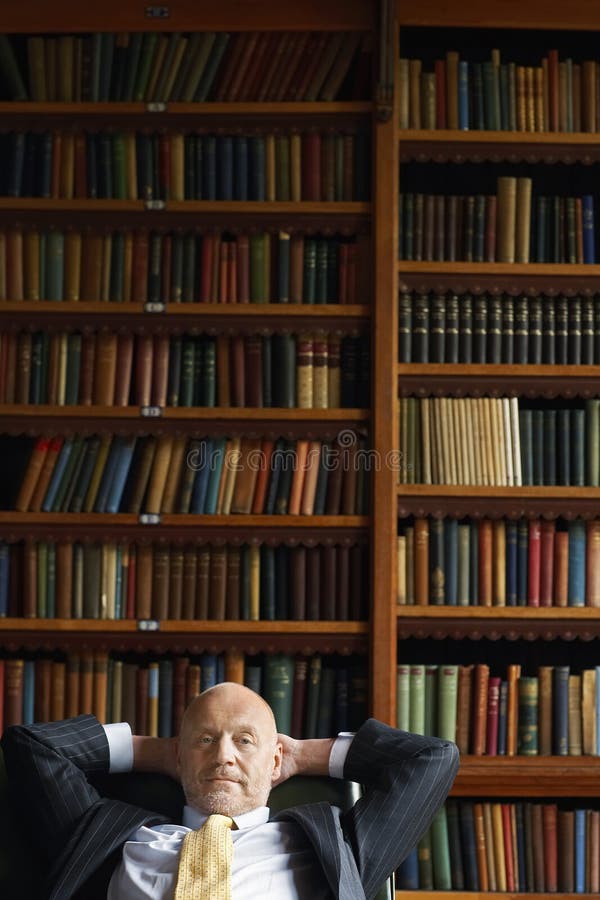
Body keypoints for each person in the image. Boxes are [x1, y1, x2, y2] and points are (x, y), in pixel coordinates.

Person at [1, 681, 459, 900]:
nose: (223, 756)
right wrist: (153, 752)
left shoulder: (336, 847)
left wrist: (300, 755)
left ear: (274, 759)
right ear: (178, 757)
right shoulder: (108, 836)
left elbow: (431, 760)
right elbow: (31, 746)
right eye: (205, 740)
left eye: (244, 741)